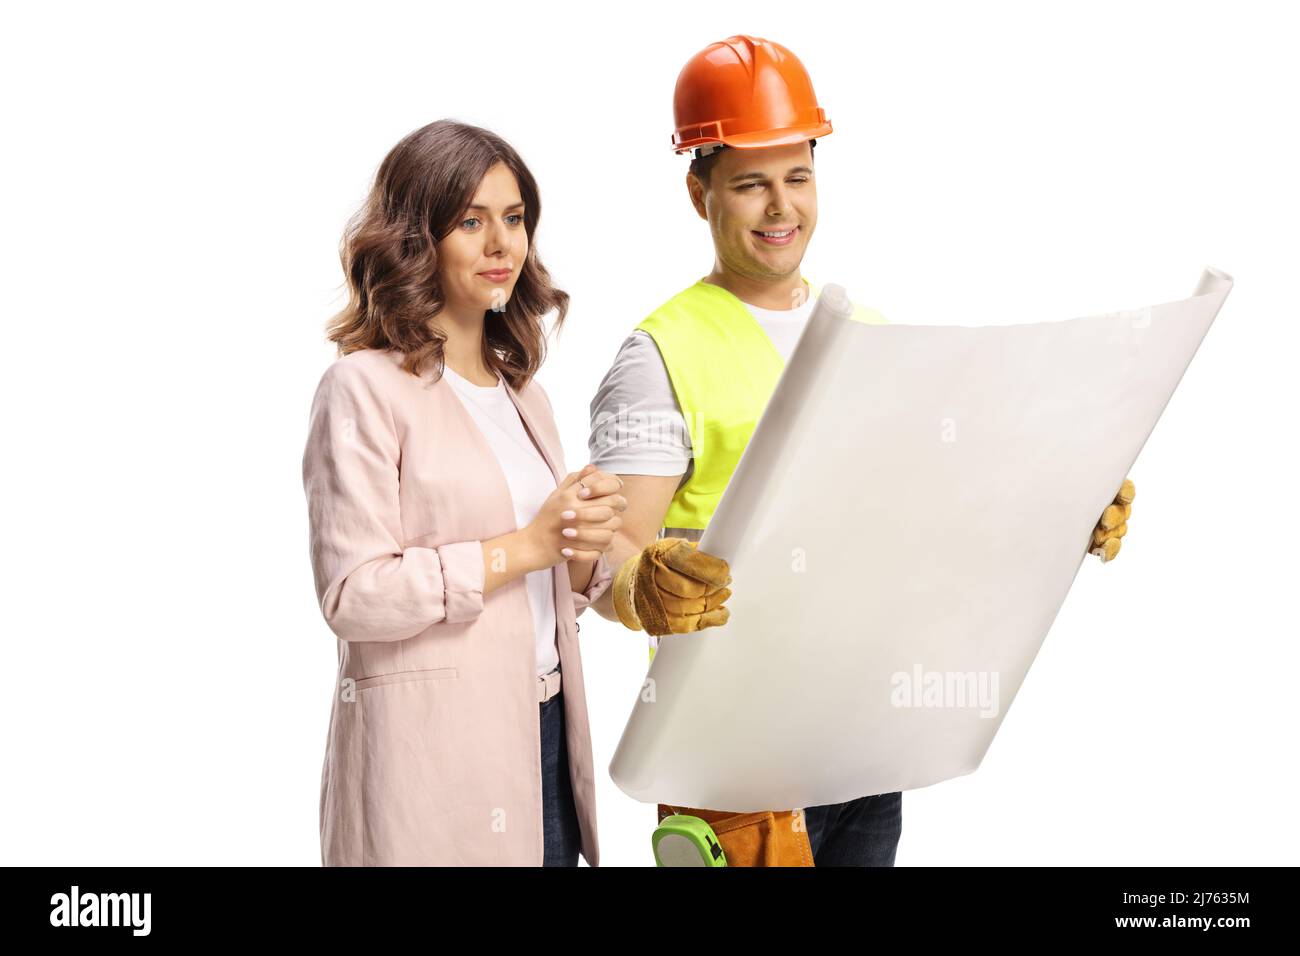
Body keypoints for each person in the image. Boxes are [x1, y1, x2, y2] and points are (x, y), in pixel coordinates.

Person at [588, 34, 1137, 867]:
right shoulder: (661, 353)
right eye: (751, 185)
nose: (782, 209)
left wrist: (1068, 498)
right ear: (699, 192)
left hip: (864, 743)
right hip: (735, 757)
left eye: (798, 177)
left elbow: (940, 514)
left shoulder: (872, 338)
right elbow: (610, 557)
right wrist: (639, 583)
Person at [302, 119, 626, 866]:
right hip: (435, 760)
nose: (501, 244)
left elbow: (550, 589)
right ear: (417, 239)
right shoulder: (362, 388)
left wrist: (581, 542)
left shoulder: (525, 397)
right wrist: (524, 545)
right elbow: (353, 596)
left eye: (514, 219)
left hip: (545, 736)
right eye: (470, 222)